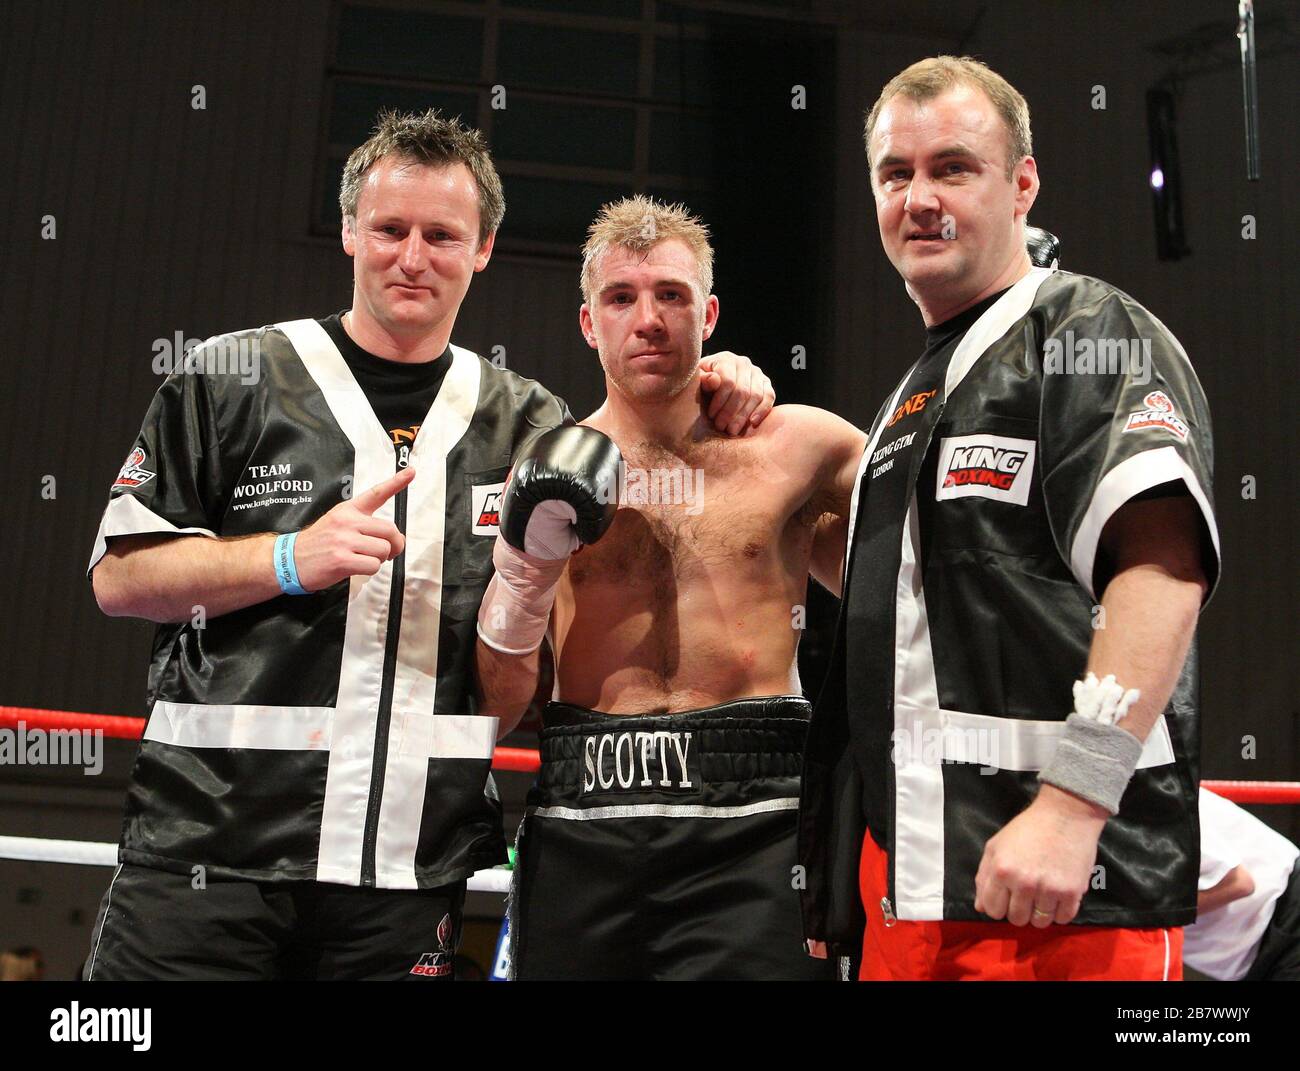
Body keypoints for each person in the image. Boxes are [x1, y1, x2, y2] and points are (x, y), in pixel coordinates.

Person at [82, 110, 772, 981]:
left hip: (406, 877)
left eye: (442, 235)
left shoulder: (530, 425)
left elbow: (520, 686)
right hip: (203, 858)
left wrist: (721, 376)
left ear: (483, 247)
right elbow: (119, 577)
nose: (413, 258)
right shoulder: (230, 378)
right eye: (390, 230)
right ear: (348, 232)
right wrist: (288, 557)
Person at [798, 56, 1220, 981]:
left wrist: (1074, 802)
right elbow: (924, 594)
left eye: (953, 168)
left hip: (1062, 887)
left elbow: (1160, 572)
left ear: (1022, 183)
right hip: (925, 875)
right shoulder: (923, 386)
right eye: (895, 174)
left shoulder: (1087, 334)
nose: (920, 198)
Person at [475, 195, 867, 980]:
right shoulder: (539, 471)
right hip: (587, 807)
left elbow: (929, 577)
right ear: (589, 322)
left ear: (710, 313)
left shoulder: (803, 449)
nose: (647, 319)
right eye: (621, 297)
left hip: (758, 822)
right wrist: (520, 579)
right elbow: (497, 704)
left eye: (672, 296)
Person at [1185, 788, 1300, 981]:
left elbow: (1238, 883)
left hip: (1286, 913)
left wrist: (1150, 916)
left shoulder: (1149, 801)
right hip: (1254, 957)